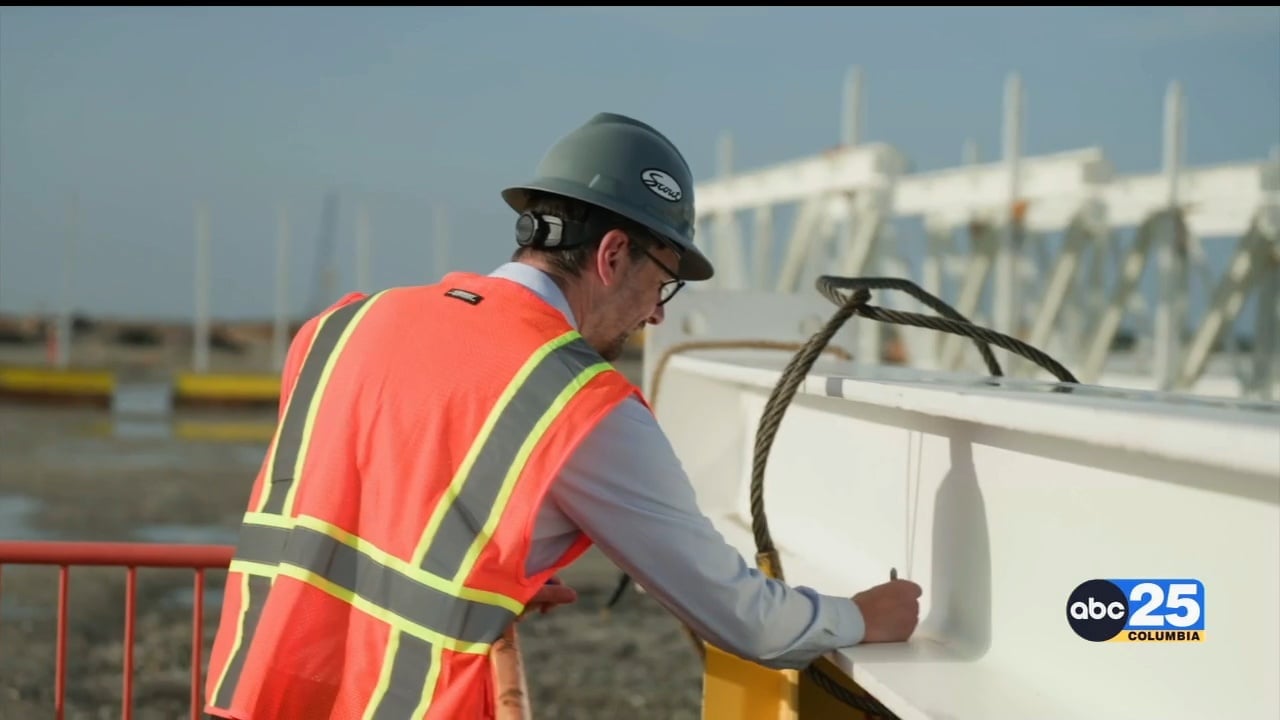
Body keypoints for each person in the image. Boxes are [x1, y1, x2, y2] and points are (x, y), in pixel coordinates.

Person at [203, 112, 922, 720]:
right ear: (613, 254)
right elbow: (742, 617)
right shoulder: (580, 404)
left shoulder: (345, 324)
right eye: (661, 284)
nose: (654, 315)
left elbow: (370, 501)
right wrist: (865, 615)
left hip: (259, 688)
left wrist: (497, 570)